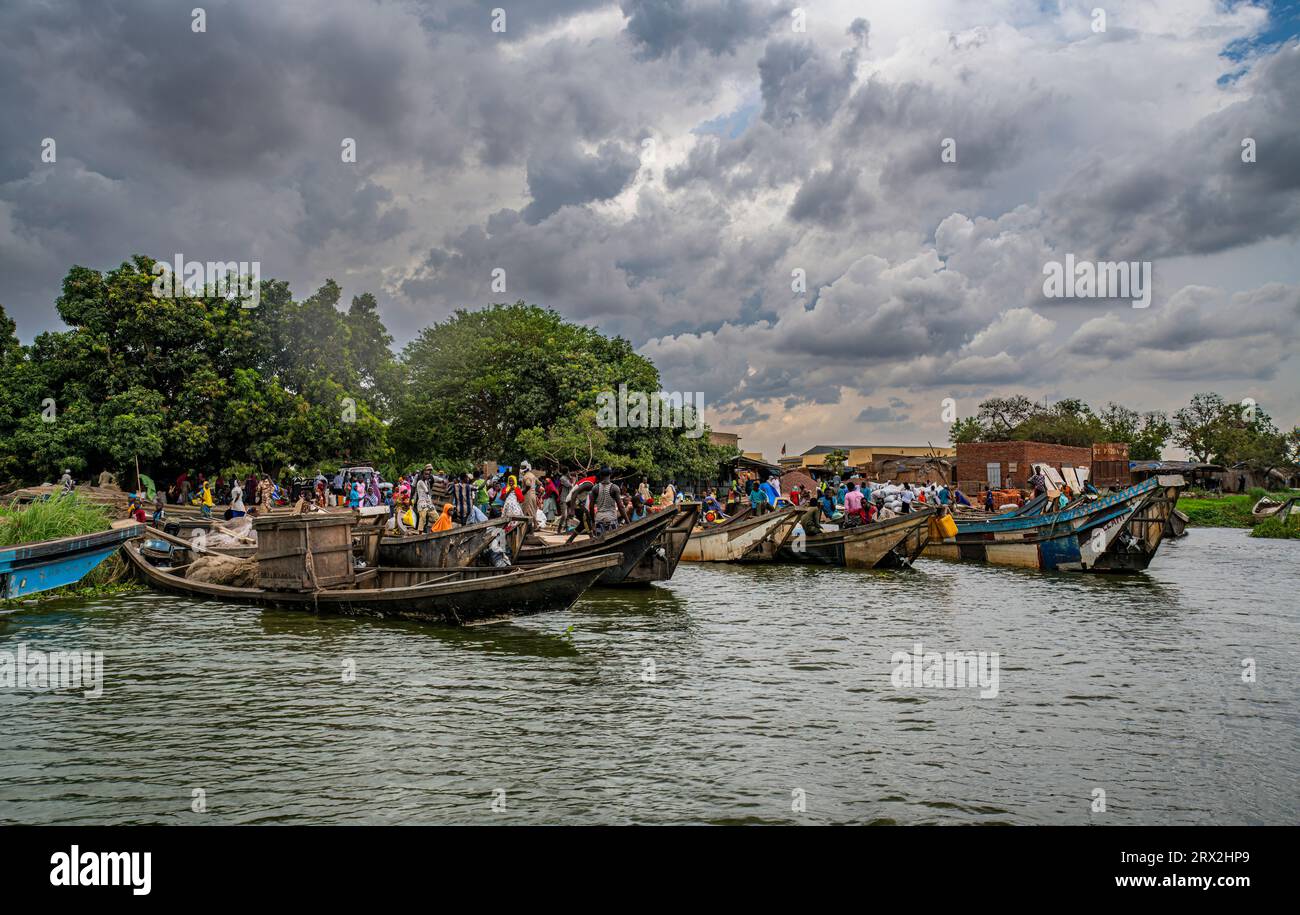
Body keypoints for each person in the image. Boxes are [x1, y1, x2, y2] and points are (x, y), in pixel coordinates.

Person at [588, 468, 627, 536]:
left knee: (600, 540)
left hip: (599, 519)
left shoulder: (595, 488)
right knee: (613, 539)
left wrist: (593, 522)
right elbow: (620, 507)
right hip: (611, 519)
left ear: (600, 476)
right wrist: (627, 521)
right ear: (610, 475)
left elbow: (591, 507)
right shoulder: (615, 488)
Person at [415, 466, 434, 532]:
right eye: (426, 474)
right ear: (422, 474)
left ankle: (425, 530)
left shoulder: (427, 481)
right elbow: (427, 491)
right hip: (421, 501)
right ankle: (420, 532)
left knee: (431, 516)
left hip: (427, 501)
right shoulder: (420, 481)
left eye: (428, 474)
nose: (427, 475)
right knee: (422, 517)